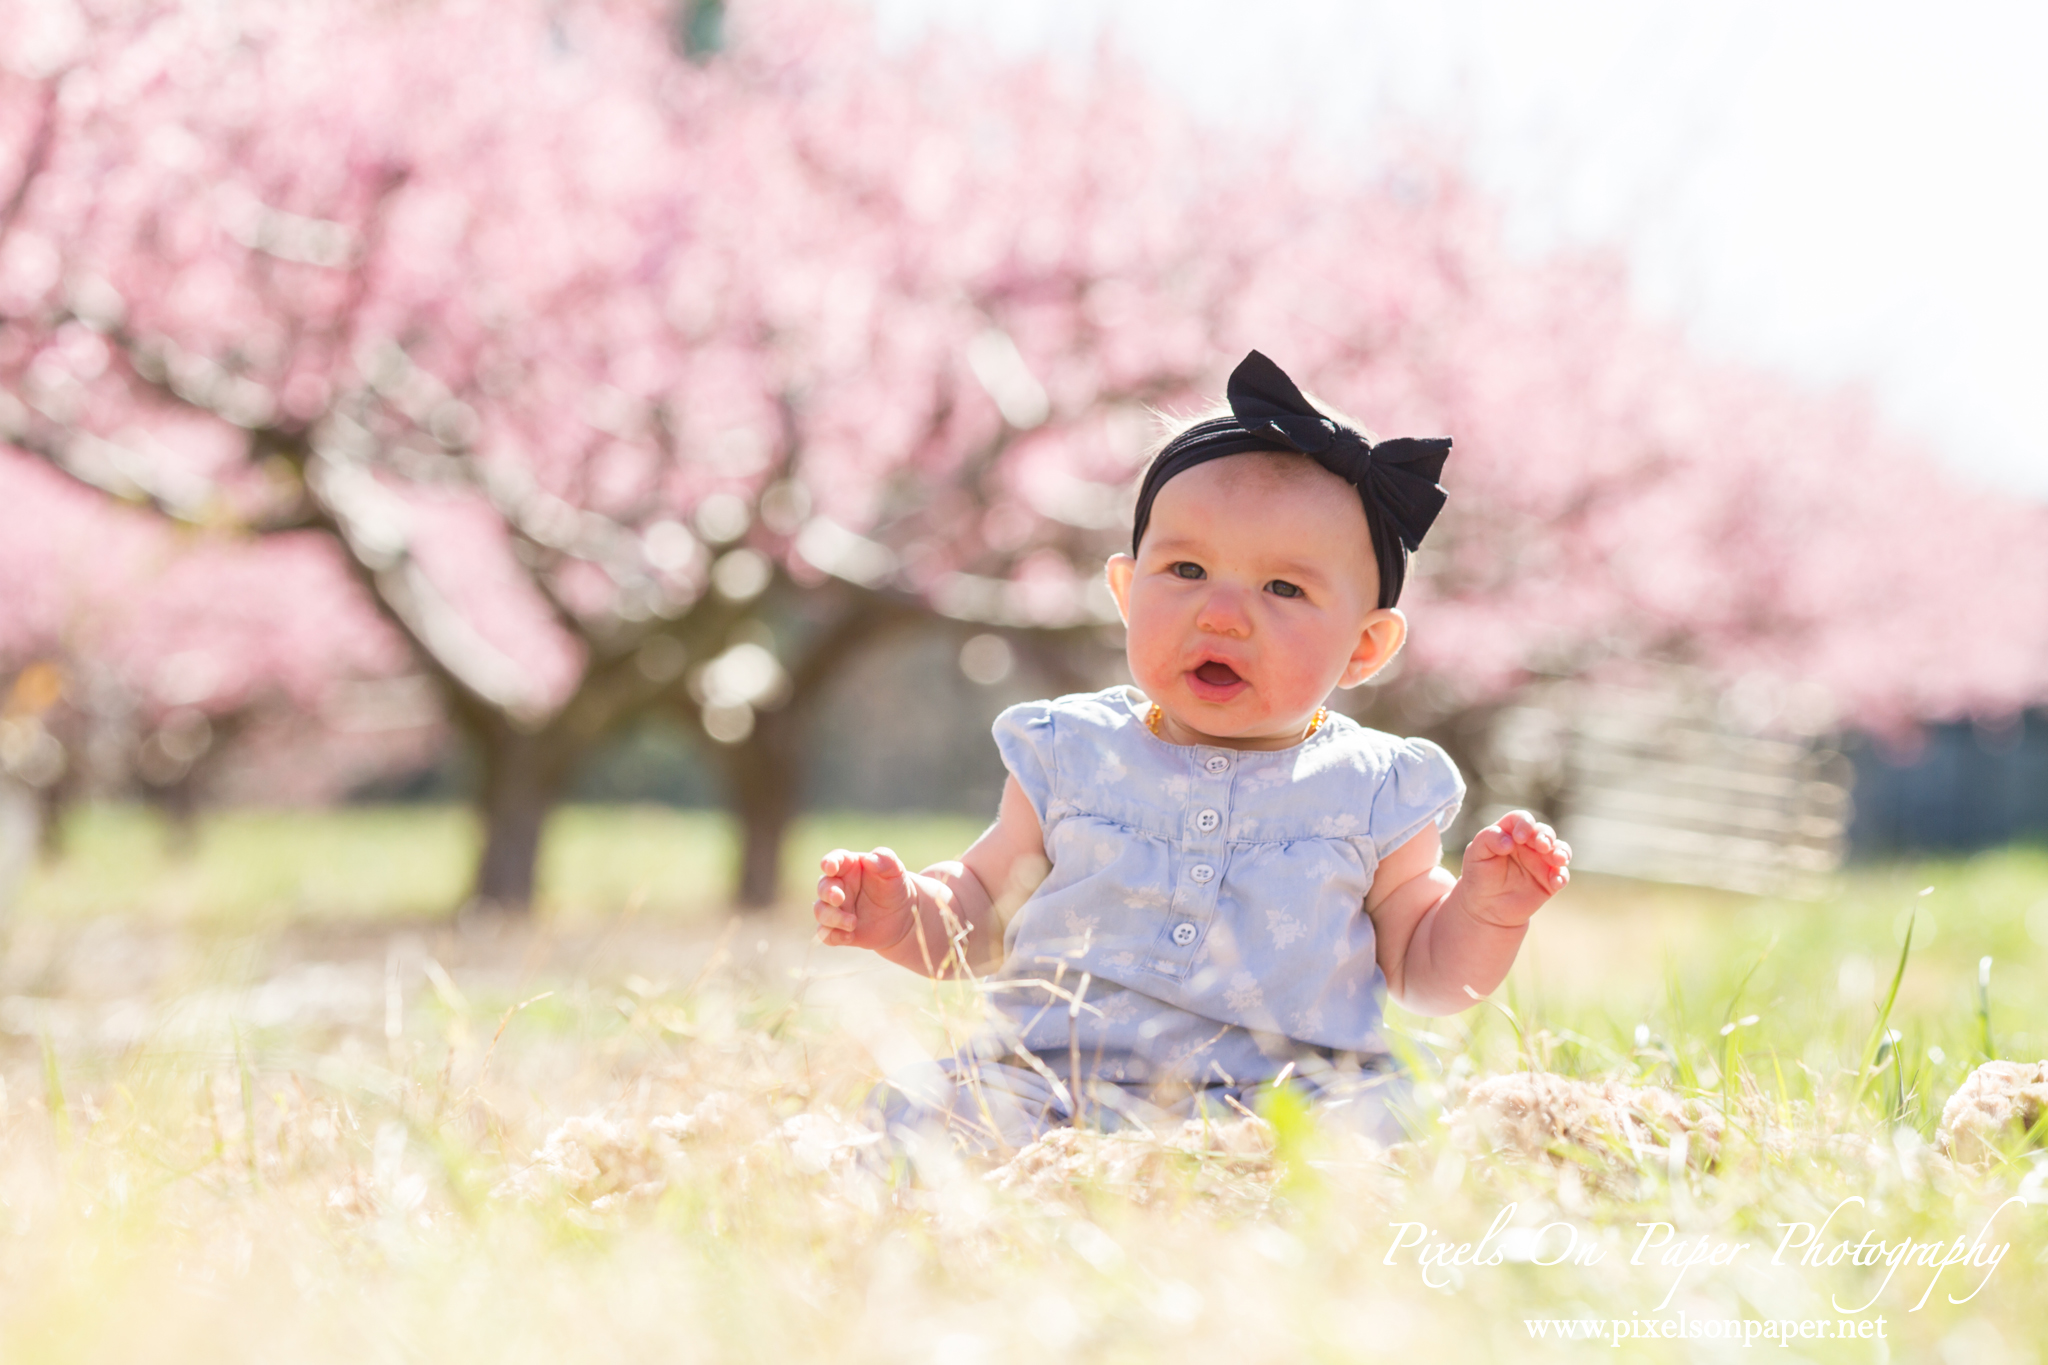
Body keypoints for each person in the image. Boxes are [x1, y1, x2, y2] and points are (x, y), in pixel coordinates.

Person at [813, 350, 1571, 1152]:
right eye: (1185, 569)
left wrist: (1488, 911)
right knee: (939, 1128)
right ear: (1124, 590)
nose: (1222, 614)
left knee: (1360, 1146)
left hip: (1282, 1103)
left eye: (1283, 589)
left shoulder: (1375, 791)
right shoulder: (1069, 752)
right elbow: (980, 911)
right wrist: (905, 916)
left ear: (1366, 646)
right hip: (1053, 1083)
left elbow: (1427, 973)